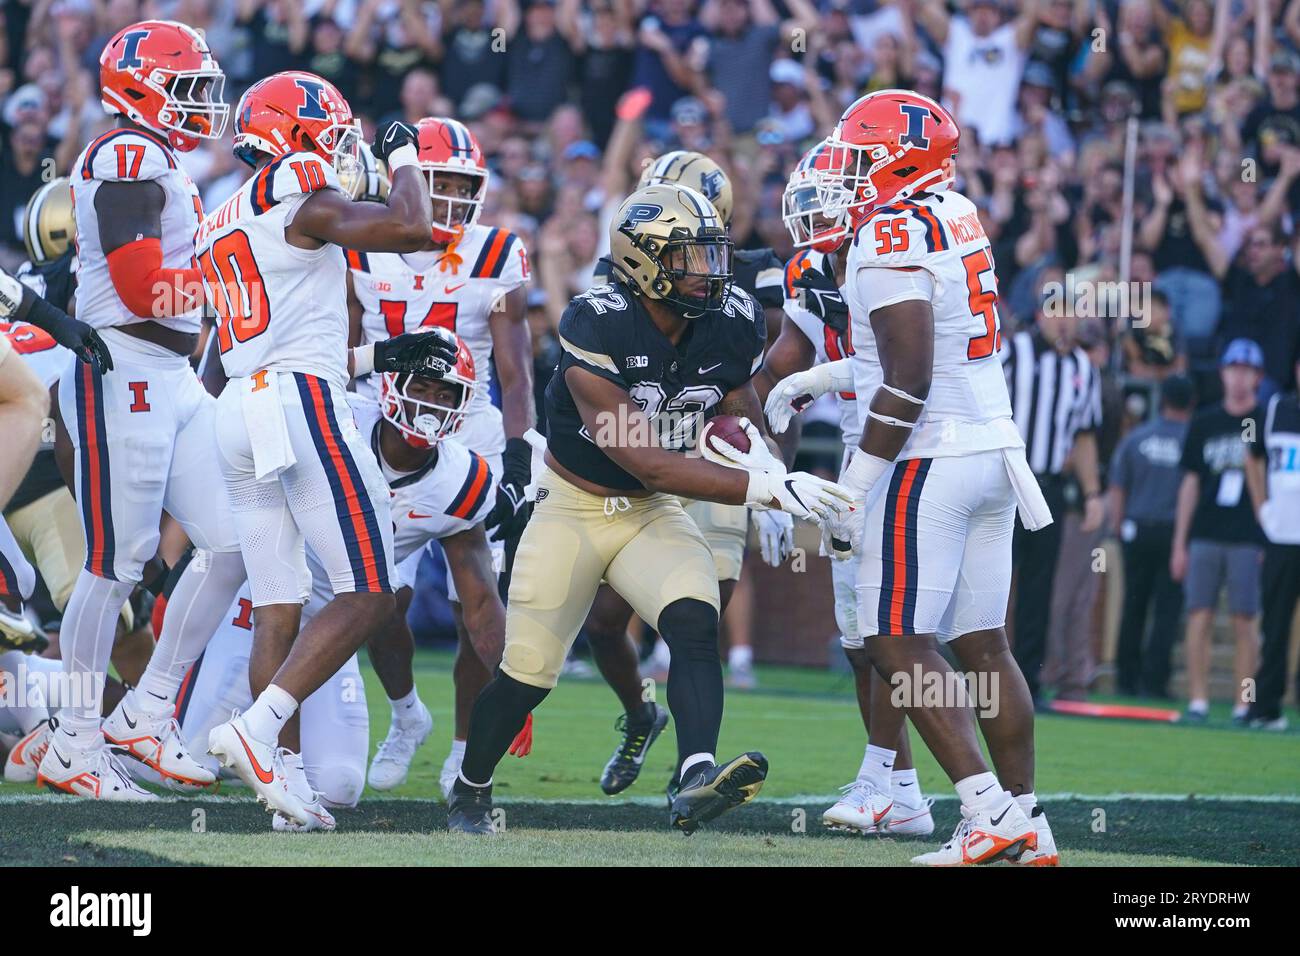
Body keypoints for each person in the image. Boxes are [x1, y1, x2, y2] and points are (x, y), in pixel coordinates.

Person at [446, 182, 851, 835]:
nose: (706, 271)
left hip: (647, 509)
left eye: (711, 255)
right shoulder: (596, 319)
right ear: (642, 260)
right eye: (687, 257)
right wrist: (771, 490)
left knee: (694, 621)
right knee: (527, 675)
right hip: (573, 505)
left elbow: (734, 397)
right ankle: (469, 790)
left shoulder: (730, 318)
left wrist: (768, 461)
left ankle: (696, 775)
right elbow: (649, 459)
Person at [194, 70, 447, 827]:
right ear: (296, 137)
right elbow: (413, 229)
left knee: (278, 609)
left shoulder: (224, 211)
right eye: (328, 135)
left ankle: (285, 781)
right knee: (370, 589)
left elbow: (248, 344)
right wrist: (404, 157)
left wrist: (382, 356)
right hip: (299, 402)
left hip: (240, 405)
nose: (339, 150)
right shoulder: (295, 184)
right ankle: (259, 727)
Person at [816, 89, 1058, 866]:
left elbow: (908, 376)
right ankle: (1028, 820)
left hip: (936, 457)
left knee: (893, 637)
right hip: (996, 447)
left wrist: (856, 480)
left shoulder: (888, 232)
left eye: (860, 158)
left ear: (898, 158)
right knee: (986, 645)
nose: (847, 175)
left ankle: (986, 812)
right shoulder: (954, 210)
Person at [582, 151, 789, 797]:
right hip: (640, 461)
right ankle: (642, 715)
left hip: (717, 460)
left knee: (695, 619)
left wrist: (774, 481)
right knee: (604, 621)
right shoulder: (613, 283)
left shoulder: (752, 278)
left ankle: (693, 770)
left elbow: (763, 388)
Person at [346, 116, 533, 795]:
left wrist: (516, 457)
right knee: (375, 594)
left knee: (472, 598)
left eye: (463, 185)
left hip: (470, 428)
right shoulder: (365, 244)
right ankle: (405, 715)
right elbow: (339, 353)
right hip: (381, 425)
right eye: (438, 183)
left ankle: (463, 750)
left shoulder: (499, 252)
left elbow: (515, 372)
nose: (452, 198)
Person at [760, 138, 932, 837]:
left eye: (829, 199)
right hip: (864, 450)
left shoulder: (895, 249)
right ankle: (904, 791)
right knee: (863, 639)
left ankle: (886, 781)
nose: (816, 215)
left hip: (916, 443)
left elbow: (902, 367)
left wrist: (808, 381)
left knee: (895, 629)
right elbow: (780, 368)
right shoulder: (810, 267)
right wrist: (762, 471)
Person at [1001, 280, 1105, 703]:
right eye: (1055, 312)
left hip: (1049, 487)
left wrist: (1093, 492)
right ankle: (971, 674)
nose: (1063, 321)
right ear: (1040, 315)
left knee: (1039, 588)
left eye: (1070, 313)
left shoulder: (1083, 367)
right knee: (988, 579)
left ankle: (1026, 681)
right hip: (1004, 481)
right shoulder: (1011, 353)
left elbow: (1084, 436)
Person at [1172, 339, 1266, 724]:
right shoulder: (1205, 421)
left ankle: (1244, 703)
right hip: (1206, 531)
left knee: (1246, 619)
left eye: (1247, 370)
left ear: (1257, 377)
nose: (1239, 377)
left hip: (1248, 533)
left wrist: (1268, 536)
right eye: (1233, 369)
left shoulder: (1264, 419)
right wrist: (1180, 541)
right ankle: (1198, 700)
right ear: (1223, 373)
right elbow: (1190, 484)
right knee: (1199, 614)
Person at [1109, 373, 1194, 698]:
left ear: (1163, 400)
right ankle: (1154, 682)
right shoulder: (1191, 439)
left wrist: (1119, 527)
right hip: (1175, 535)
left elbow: (1118, 486)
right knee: (1166, 611)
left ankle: (1125, 678)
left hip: (1137, 530)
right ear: (1191, 403)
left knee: (1133, 606)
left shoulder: (1137, 438)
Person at [1244, 354, 1300, 731]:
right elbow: (1252, 457)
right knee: (1275, 625)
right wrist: (1262, 509)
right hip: (1281, 533)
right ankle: (1266, 707)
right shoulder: (1274, 409)